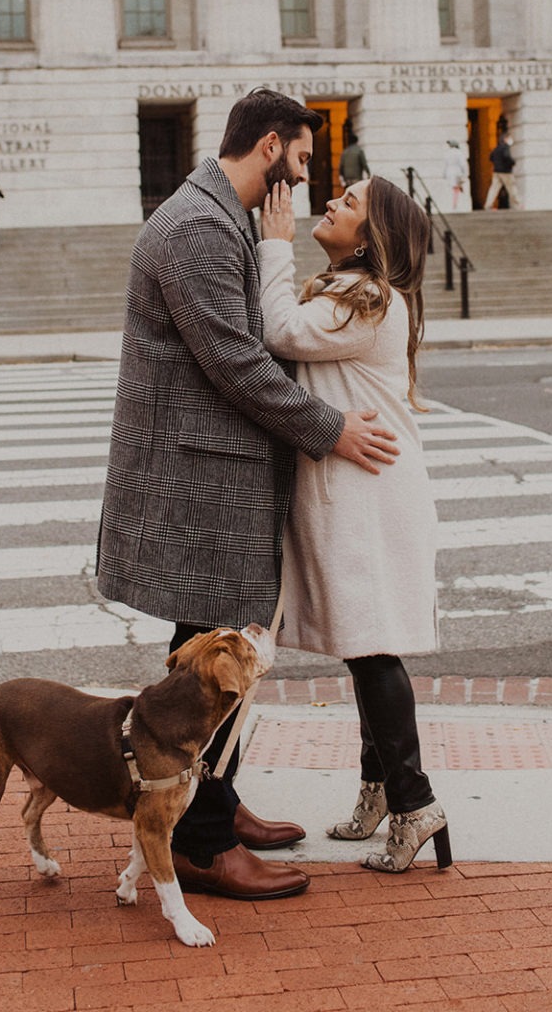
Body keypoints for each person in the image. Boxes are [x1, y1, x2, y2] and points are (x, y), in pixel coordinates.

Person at [96, 89, 400, 903]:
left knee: (217, 650)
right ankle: (201, 843)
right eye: (299, 160)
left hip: (215, 475)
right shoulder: (197, 228)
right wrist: (330, 429)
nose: (302, 179)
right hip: (201, 481)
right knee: (212, 662)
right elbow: (236, 360)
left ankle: (214, 804)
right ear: (270, 147)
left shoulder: (217, 217)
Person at [258, 174, 451, 874]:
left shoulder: (368, 300)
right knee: (365, 645)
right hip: (363, 490)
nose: (332, 200)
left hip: (370, 495)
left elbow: (279, 329)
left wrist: (274, 246)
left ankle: (414, 803)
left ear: (372, 237)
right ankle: (379, 789)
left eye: (350, 201)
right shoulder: (356, 295)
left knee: (372, 649)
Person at [485, 123, 520, 209]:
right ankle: (518, 204)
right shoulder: (505, 147)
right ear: (506, 139)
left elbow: (491, 157)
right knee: (512, 188)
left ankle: (488, 204)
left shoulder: (496, 148)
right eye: (509, 138)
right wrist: (512, 163)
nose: (511, 140)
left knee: (494, 189)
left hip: (496, 171)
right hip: (505, 171)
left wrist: (497, 164)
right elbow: (506, 157)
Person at [442, 138, 469, 211]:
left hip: (449, 172)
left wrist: (444, 174)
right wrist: (465, 173)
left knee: (454, 188)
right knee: (457, 188)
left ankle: (454, 205)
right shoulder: (459, 153)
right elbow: (463, 164)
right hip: (457, 172)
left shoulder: (447, 153)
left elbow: (445, 165)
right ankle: (456, 205)